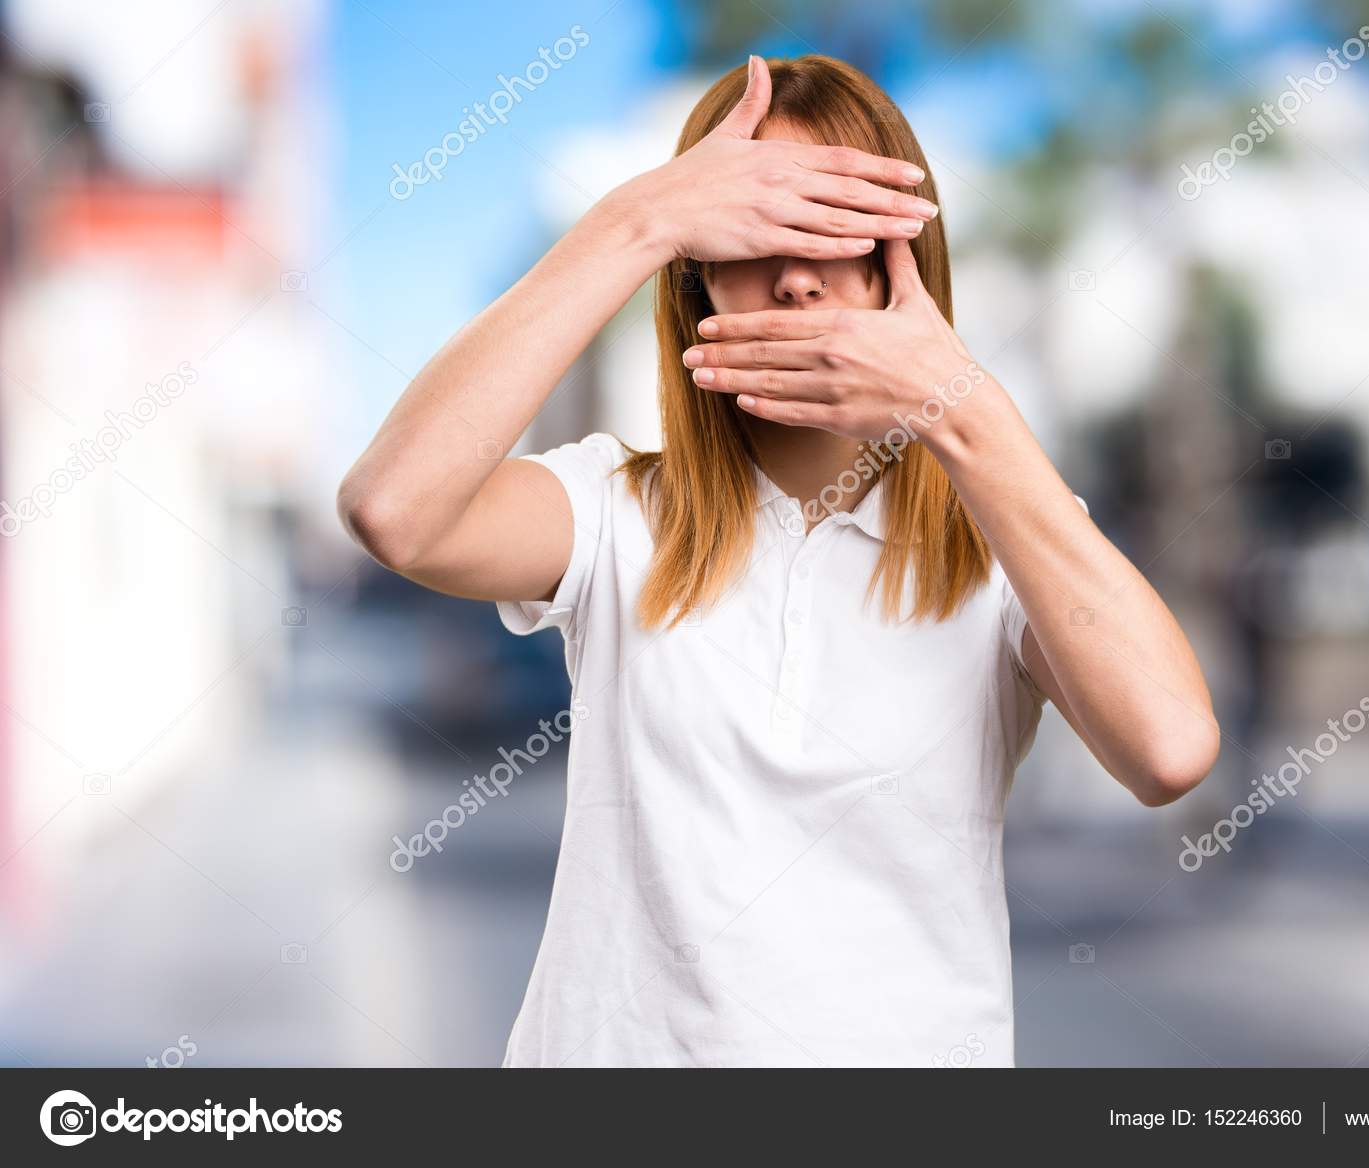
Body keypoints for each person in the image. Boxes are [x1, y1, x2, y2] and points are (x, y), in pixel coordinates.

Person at [338, 54, 1219, 1067]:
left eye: (833, 224)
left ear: (905, 259)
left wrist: (960, 403)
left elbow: (1169, 750)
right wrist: (637, 220)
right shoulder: (615, 512)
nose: (797, 272)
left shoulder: (1003, 532)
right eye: (754, 229)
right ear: (697, 279)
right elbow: (391, 508)